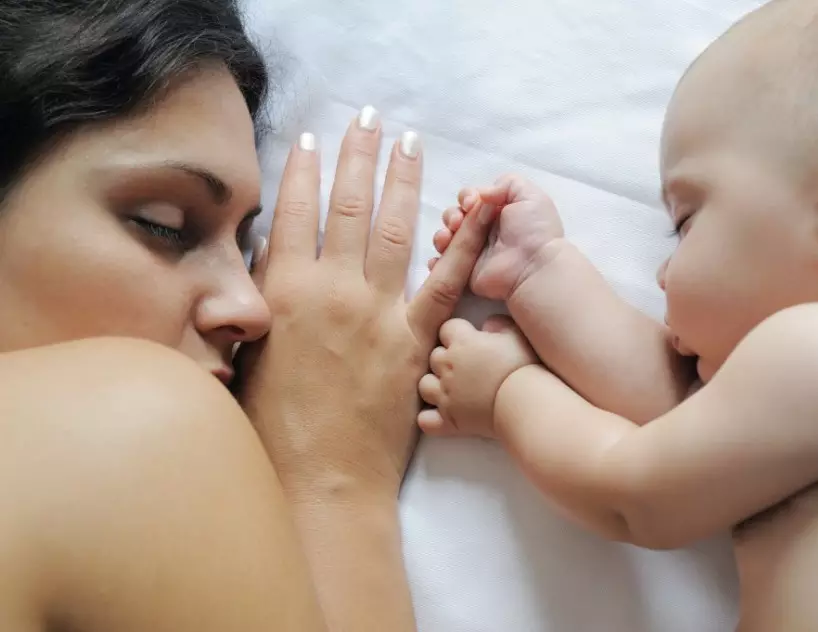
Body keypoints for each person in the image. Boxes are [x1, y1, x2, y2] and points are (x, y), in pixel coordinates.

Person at [422, 0, 818, 629]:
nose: (663, 273)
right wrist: (541, 273)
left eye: (685, 222)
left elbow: (630, 490)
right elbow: (689, 418)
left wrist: (506, 394)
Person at [0, 1, 491, 630]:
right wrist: (334, 484)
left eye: (245, 247)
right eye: (164, 225)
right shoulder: (139, 420)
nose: (253, 307)